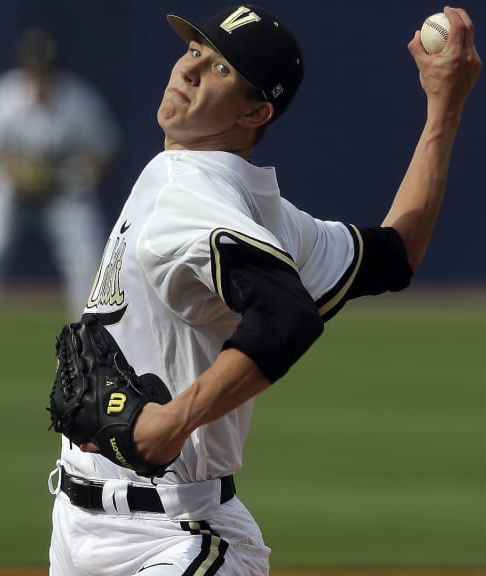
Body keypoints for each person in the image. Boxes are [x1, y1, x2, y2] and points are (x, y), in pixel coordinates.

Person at [49, 5, 479, 575]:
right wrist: (443, 108)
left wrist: (172, 422)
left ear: (257, 111)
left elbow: (287, 316)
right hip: (82, 527)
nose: (190, 68)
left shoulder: (192, 197)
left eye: (221, 68)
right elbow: (395, 254)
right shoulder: (253, 206)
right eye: (197, 50)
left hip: (175, 541)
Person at [0, 28, 120, 322]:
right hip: (12, 191)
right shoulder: (2, 98)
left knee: (85, 258)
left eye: (44, 68)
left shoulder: (79, 102)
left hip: (62, 191)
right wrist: (18, 170)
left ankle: (89, 334)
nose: (39, 76)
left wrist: (76, 173)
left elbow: (105, 153)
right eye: (33, 68)